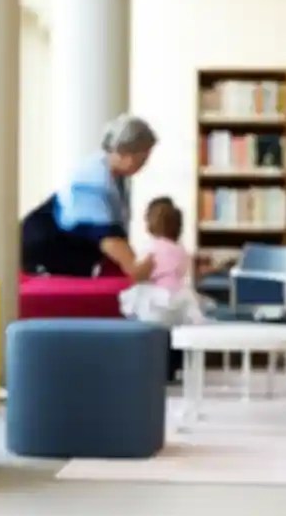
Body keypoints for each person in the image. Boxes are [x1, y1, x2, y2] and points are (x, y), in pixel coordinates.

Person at [21, 114, 158, 280]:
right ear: (128, 153)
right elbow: (107, 236)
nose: (143, 165)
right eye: (142, 159)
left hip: (67, 254)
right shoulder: (92, 177)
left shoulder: (115, 176)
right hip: (43, 251)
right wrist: (135, 267)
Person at [118, 197, 210, 381]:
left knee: (152, 331)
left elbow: (140, 273)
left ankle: (152, 366)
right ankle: (174, 366)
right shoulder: (181, 250)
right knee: (174, 334)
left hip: (156, 299)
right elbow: (184, 272)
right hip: (180, 298)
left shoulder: (151, 248)